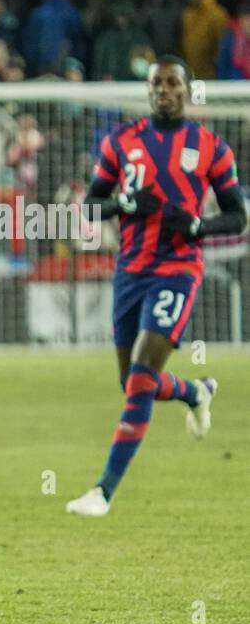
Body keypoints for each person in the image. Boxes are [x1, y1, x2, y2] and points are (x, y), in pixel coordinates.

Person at [68, 56, 244, 516]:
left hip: (178, 268)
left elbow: (237, 215)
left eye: (173, 83)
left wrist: (198, 226)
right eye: (157, 83)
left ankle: (103, 491)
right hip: (130, 270)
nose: (164, 90)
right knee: (131, 382)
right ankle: (194, 392)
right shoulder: (121, 142)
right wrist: (123, 201)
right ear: (148, 91)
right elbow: (90, 207)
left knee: (143, 372)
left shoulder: (210, 147)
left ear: (187, 90)